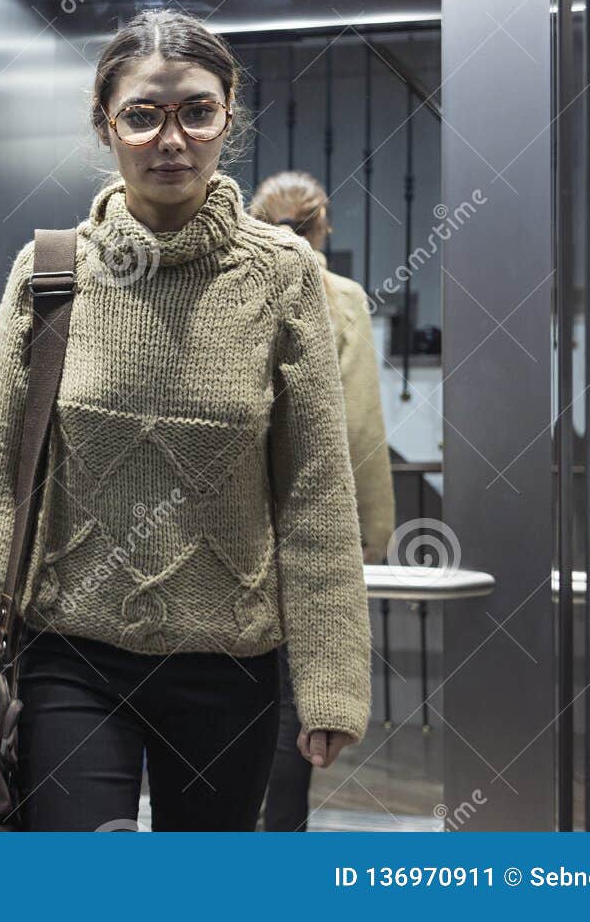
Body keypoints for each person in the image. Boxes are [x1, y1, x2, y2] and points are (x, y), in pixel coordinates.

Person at [0, 9, 371, 832]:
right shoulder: (51, 272)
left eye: (197, 111)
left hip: (230, 663)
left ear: (228, 117)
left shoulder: (285, 277)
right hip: (73, 659)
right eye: (143, 115)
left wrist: (331, 676)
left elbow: (314, 497)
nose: (172, 139)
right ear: (106, 124)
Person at [249, 170, 396, 831]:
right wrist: (372, 534)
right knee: (290, 707)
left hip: (220, 535)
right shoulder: (338, 298)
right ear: (323, 226)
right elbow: (359, 429)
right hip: (302, 532)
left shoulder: (231, 291)